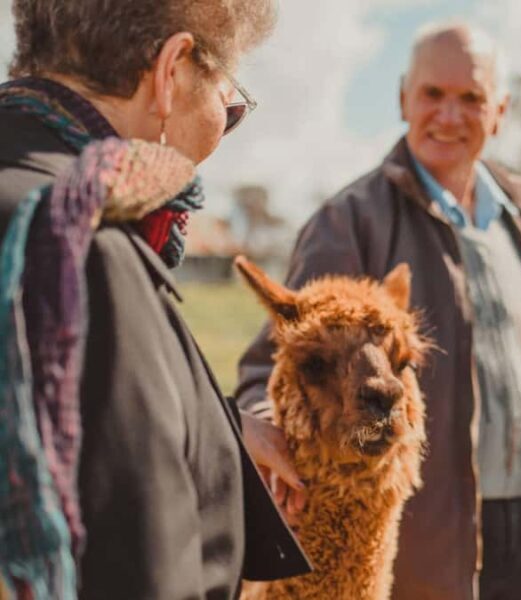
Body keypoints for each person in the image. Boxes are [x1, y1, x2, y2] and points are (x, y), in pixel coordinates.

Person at [236, 21, 521, 600]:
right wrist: (279, 444)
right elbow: (276, 362)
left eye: (470, 98)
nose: (449, 115)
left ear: (499, 110)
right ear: (404, 98)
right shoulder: (352, 219)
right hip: (427, 536)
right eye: (433, 95)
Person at [0, 0, 311, 597]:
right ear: (171, 71)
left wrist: (215, 422)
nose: (224, 126)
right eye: (231, 103)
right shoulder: (82, 254)